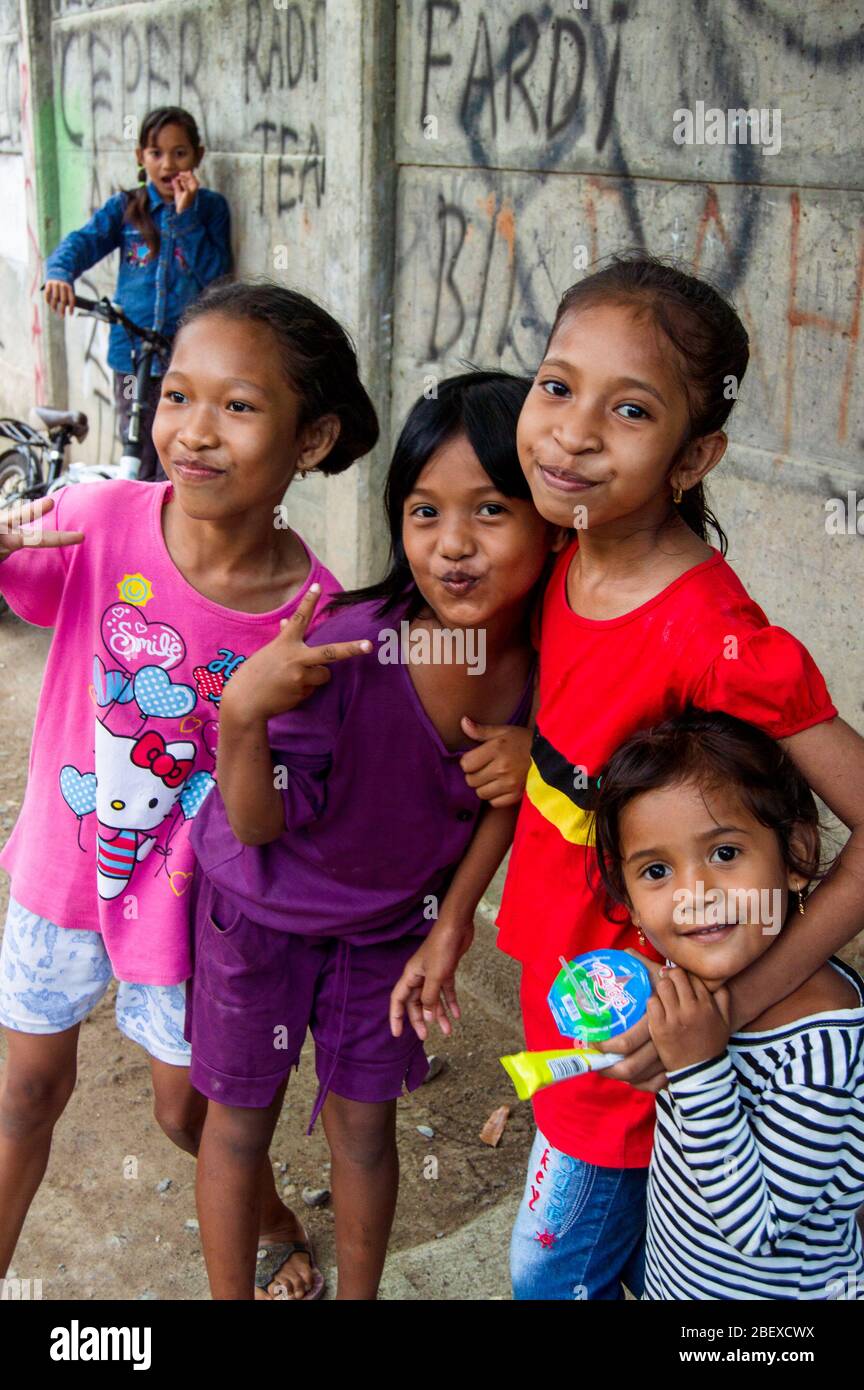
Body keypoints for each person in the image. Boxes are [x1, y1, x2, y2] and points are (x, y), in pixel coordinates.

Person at [398, 254, 864, 1300]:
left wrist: (737, 1002)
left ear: (695, 455)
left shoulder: (714, 635)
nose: (570, 431)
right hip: (571, 1010)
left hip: (637, 1051)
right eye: (557, 387)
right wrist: (535, 785)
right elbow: (591, 759)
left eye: (632, 410)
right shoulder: (568, 556)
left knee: (548, 1280)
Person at [0, 280, 377, 1300]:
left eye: (240, 406)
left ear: (313, 438)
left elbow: (294, 810)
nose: (194, 433)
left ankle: (270, 1217)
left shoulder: (324, 620)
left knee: (187, 1114)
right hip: (61, 873)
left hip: (195, 911)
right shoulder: (90, 519)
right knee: (25, 1092)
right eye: (176, 396)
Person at [187, 371, 563, 1300]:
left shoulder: (547, 669)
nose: (454, 545)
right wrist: (242, 716)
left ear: (556, 521)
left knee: (365, 1129)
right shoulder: (349, 652)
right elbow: (257, 820)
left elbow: (498, 806)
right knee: (238, 1122)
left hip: (390, 932)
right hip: (261, 913)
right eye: (425, 511)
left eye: (491, 510)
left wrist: (452, 924)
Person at [593, 708, 864, 1301]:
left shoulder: (823, 1047)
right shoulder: (693, 984)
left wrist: (697, 1068)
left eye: (724, 854)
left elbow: (756, 1225)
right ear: (632, 904)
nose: (694, 896)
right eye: (657, 870)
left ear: (795, 853)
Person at [43, 106, 231, 481]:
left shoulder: (210, 209)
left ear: (198, 155)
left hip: (188, 360)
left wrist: (186, 217)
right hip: (130, 358)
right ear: (140, 157)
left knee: (182, 454)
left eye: (180, 153)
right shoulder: (126, 208)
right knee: (136, 449)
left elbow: (218, 278)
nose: (168, 164)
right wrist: (60, 273)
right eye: (156, 153)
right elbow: (83, 241)